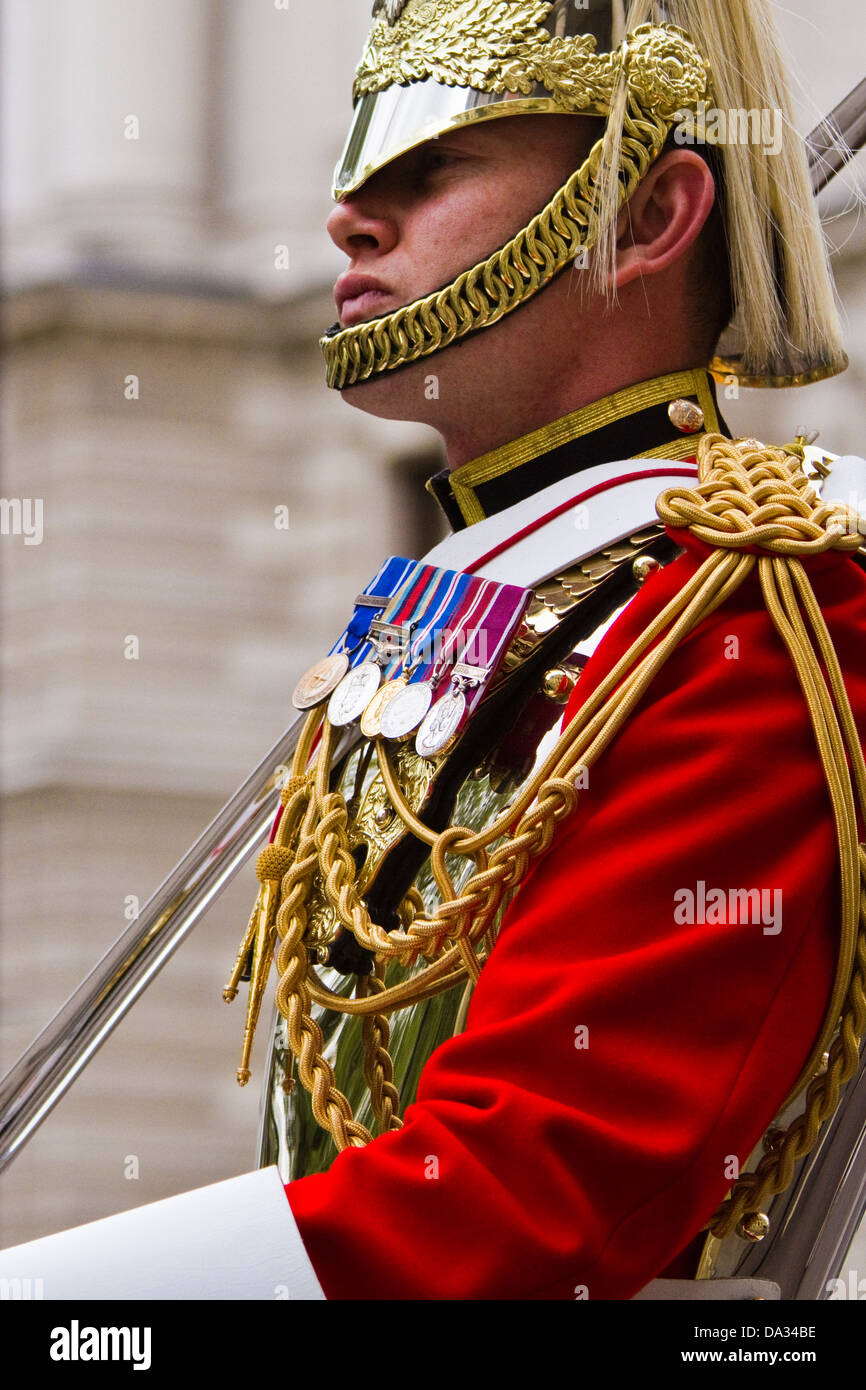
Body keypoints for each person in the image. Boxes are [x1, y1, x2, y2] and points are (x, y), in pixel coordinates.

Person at [1, 0, 864, 1302]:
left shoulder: (737, 613)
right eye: (358, 172)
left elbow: (524, 1200)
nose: (350, 218)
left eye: (429, 167)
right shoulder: (459, 596)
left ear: (642, 220)